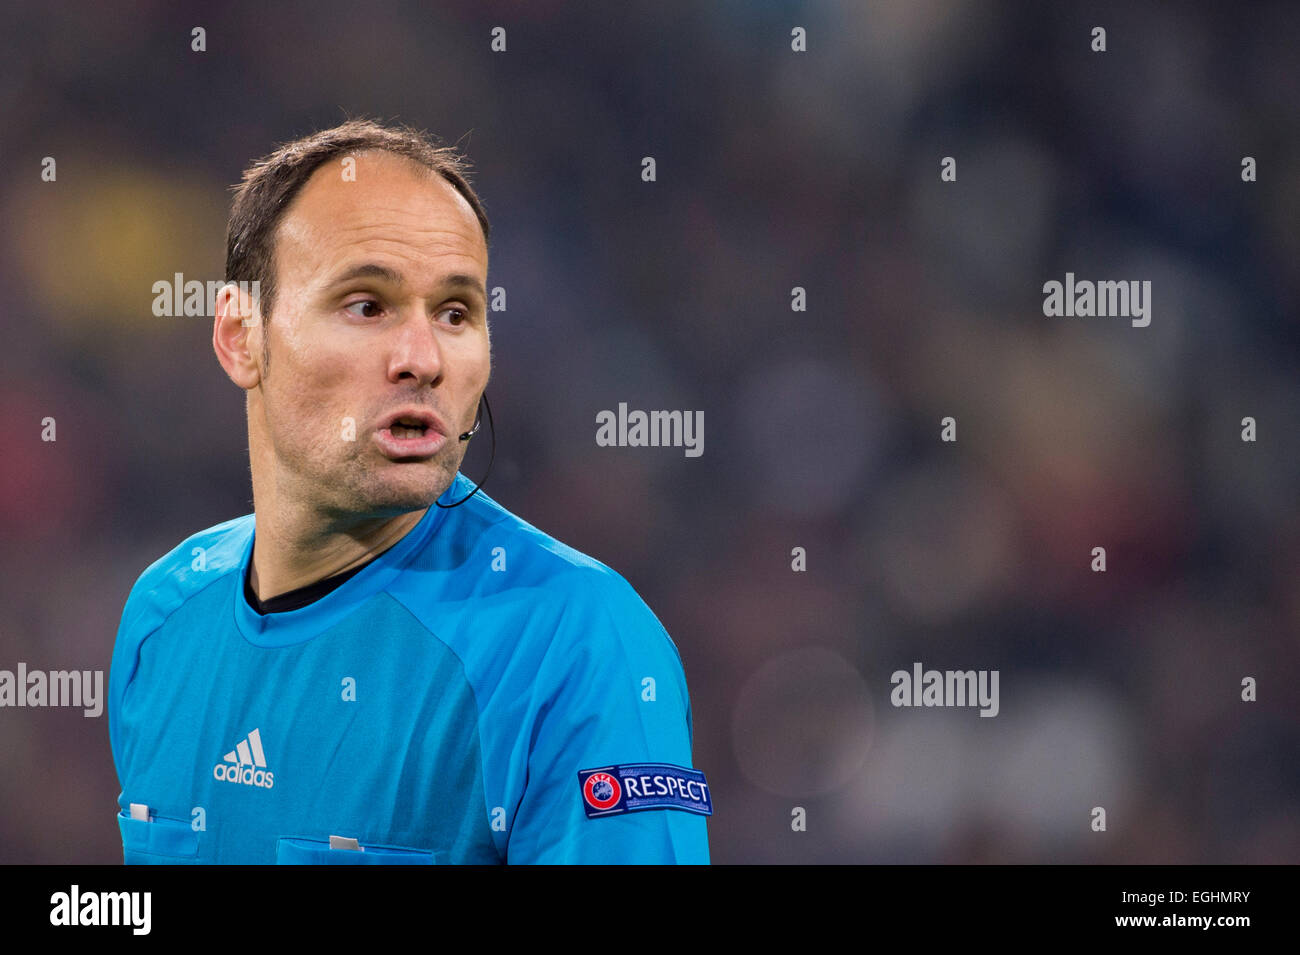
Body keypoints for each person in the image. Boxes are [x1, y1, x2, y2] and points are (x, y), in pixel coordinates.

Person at [107, 119, 711, 864]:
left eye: (456, 313)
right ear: (241, 336)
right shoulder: (162, 616)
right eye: (367, 305)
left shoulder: (578, 639)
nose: (422, 358)